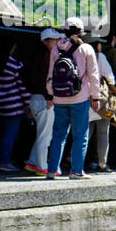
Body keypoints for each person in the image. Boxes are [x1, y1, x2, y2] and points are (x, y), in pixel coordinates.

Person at [45, 19, 101, 179]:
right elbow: (93, 76)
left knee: (58, 135)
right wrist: (95, 96)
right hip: (79, 98)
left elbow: (50, 74)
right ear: (81, 32)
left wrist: (50, 94)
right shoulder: (86, 49)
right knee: (80, 135)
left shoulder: (56, 48)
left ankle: (52, 170)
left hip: (59, 98)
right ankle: (76, 171)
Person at [0, 39, 31, 172]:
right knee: (10, 135)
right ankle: (5, 162)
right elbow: (22, 87)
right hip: (13, 105)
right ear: (13, 47)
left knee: (0, 134)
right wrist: (28, 104)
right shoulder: (15, 64)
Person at [21, 28, 59, 176]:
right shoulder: (48, 57)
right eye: (54, 39)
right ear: (45, 41)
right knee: (45, 136)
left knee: (41, 133)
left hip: (35, 99)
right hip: (45, 99)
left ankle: (32, 163)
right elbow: (45, 80)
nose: (57, 41)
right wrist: (50, 97)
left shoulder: (35, 56)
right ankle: (43, 167)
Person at [87, 42, 116, 173]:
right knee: (103, 133)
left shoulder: (79, 54)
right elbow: (110, 76)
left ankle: (75, 160)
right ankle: (102, 163)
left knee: (84, 132)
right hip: (100, 99)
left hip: (84, 97)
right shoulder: (99, 57)